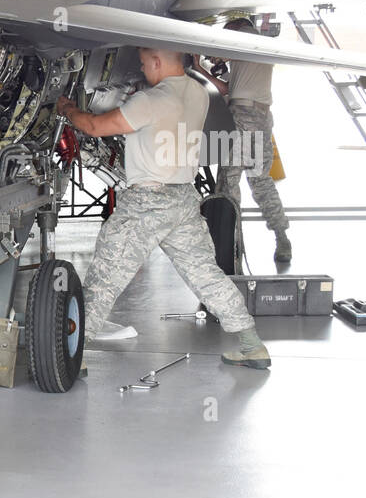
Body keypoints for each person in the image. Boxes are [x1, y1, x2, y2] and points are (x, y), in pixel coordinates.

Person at [56, 47, 271, 369]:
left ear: (157, 61)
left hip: (146, 202)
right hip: (183, 198)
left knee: (104, 278)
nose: (143, 70)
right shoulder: (198, 92)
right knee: (206, 275)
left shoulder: (151, 100)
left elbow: (95, 127)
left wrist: (68, 108)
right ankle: (252, 345)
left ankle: (69, 358)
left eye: (144, 64)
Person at [206, 19, 291, 263]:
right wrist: (202, 68)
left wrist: (206, 56)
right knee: (261, 182)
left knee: (228, 183)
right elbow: (226, 88)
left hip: (241, 118)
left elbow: (215, 52)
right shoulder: (260, 48)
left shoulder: (242, 38)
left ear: (235, 28)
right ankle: (281, 237)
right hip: (261, 119)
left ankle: (231, 246)